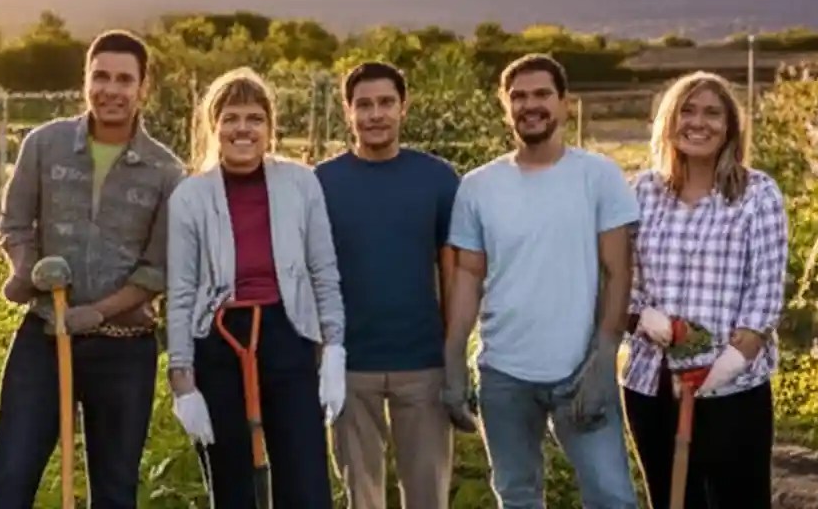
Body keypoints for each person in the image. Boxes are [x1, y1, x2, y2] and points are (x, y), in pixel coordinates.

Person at [0, 29, 185, 509]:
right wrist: (30, 271)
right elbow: (13, 224)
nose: (110, 89)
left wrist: (98, 313)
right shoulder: (44, 145)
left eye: (123, 79)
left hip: (123, 351)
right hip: (43, 339)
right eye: (100, 77)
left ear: (143, 88)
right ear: (85, 81)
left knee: (115, 489)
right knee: (10, 478)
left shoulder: (166, 171)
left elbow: (158, 267)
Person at [442, 53, 641, 509]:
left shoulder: (598, 176)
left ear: (565, 103)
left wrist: (604, 357)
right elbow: (469, 276)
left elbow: (618, 271)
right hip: (504, 375)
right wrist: (454, 359)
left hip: (580, 369)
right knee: (517, 494)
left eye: (541, 95)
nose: (530, 105)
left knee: (611, 496)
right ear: (505, 106)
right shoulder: (479, 186)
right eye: (519, 97)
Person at [166, 66, 346, 509]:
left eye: (254, 118)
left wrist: (335, 349)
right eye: (230, 118)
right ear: (214, 127)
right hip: (220, 338)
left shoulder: (301, 183)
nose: (242, 129)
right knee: (231, 478)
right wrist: (183, 381)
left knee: (303, 476)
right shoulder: (190, 196)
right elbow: (182, 291)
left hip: (287, 332)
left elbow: (322, 269)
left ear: (270, 127)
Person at [621, 71, 788, 508]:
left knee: (739, 501)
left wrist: (734, 358)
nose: (699, 122)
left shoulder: (757, 194)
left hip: (732, 387)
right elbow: (619, 280)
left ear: (730, 126)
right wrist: (639, 317)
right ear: (669, 122)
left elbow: (765, 289)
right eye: (687, 110)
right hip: (652, 385)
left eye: (713, 112)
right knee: (674, 499)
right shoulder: (642, 193)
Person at [315, 61, 459, 509]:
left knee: (427, 494)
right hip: (350, 364)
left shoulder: (436, 178)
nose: (375, 114)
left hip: (422, 362)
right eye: (364, 105)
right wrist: (322, 355)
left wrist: (453, 349)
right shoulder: (321, 182)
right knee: (363, 495)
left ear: (403, 107)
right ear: (347, 111)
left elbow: (453, 270)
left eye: (385, 103)